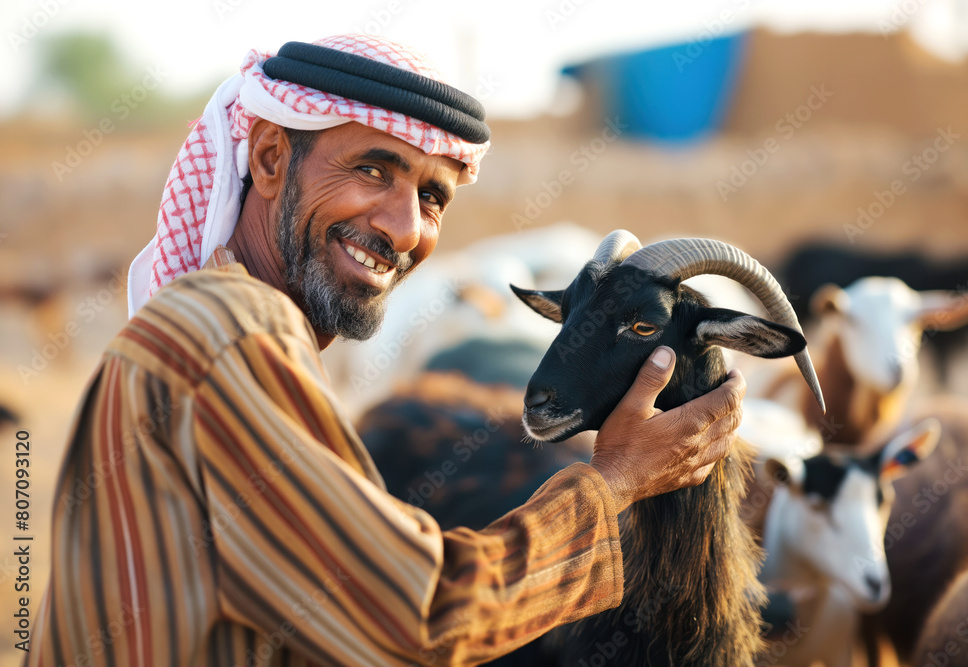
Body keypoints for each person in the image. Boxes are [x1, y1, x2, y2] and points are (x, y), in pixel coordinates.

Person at [26, 34, 746, 666]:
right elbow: (414, 617)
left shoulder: (218, 327)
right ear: (271, 157)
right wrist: (613, 483)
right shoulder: (232, 334)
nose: (404, 228)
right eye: (373, 169)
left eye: (433, 197)